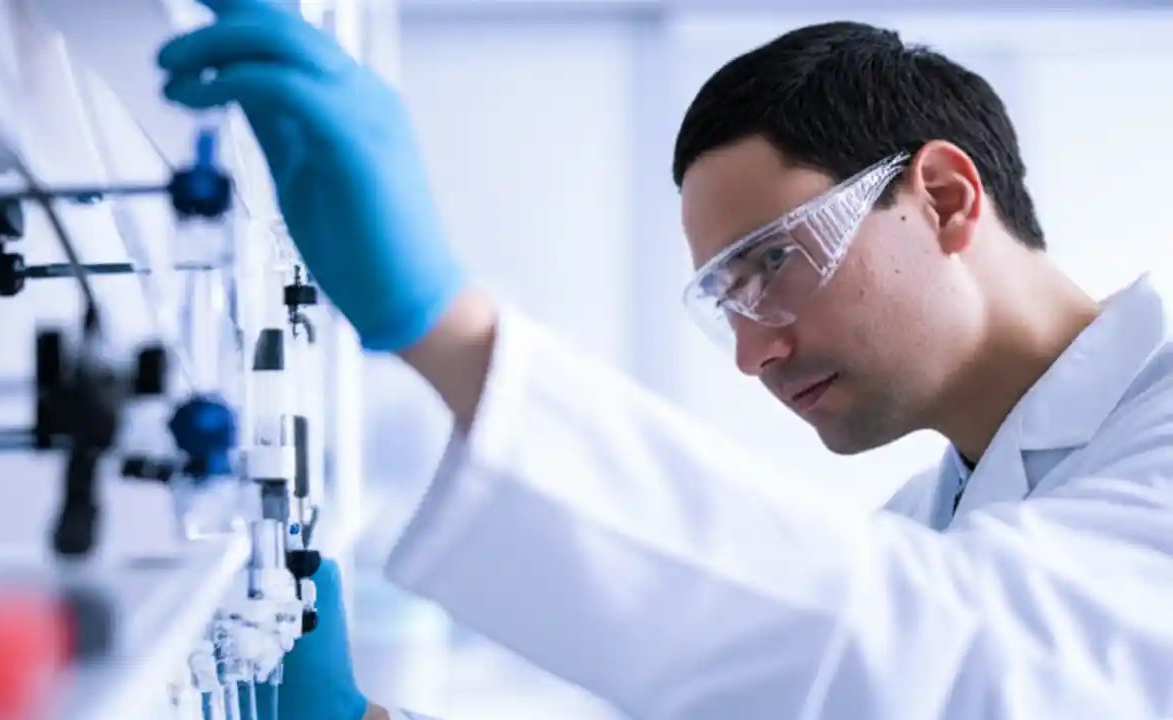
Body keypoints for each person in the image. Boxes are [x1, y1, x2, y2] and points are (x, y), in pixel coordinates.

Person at [159, 3, 1173, 719]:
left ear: (944, 198)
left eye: (772, 263)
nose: (750, 354)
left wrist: (448, 332)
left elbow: (950, 671)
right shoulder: (930, 518)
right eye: (724, 302)